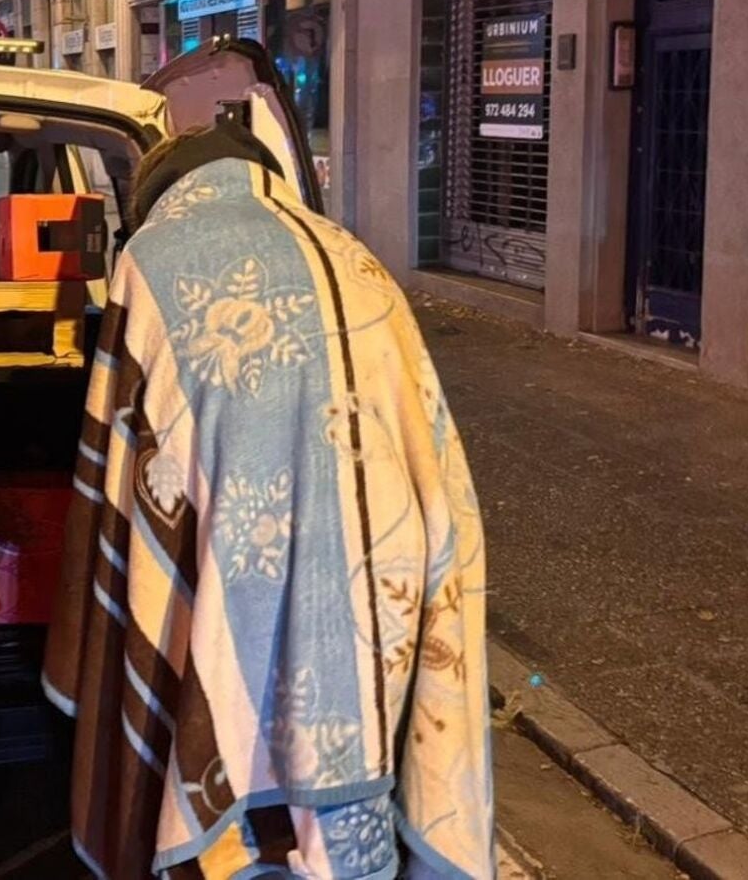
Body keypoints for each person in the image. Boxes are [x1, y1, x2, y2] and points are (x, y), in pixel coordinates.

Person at [43, 123, 493, 878]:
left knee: (232, 768)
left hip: (236, 567)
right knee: (354, 790)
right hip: (381, 569)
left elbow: (126, 451)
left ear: (159, 193)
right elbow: (430, 446)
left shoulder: (152, 254)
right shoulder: (354, 255)